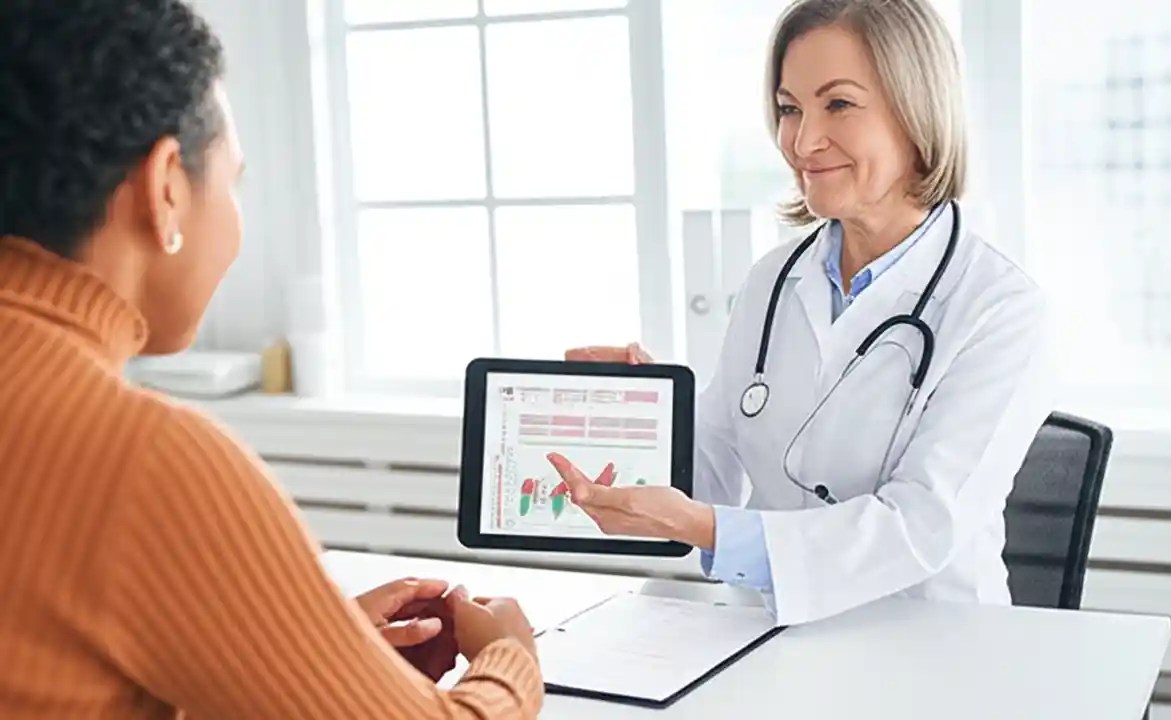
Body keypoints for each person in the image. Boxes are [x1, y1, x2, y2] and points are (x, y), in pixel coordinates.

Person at [0, 1, 541, 717]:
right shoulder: (145, 460)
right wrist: (511, 658)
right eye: (234, 180)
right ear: (166, 189)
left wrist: (298, 657)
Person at [553, 0, 1053, 626]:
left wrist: (709, 530)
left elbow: (922, 526)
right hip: (765, 633)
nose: (802, 141)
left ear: (915, 109)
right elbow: (710, 474)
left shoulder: (999, 307)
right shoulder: (775, 280)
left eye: (837, 104)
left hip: (931, 646)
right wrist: (644, 413)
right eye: (790, 108)